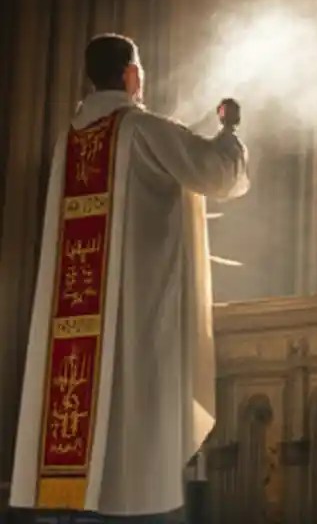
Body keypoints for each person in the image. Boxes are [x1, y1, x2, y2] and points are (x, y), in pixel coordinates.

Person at [8, 34, 250, 522]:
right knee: (135, 450)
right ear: (130, 74)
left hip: (71, 334)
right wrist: (230, 131)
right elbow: (218, 173)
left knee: (84, 419)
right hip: (137, 323)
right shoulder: (141, 130)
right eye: (140, 69)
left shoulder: (69, 143)